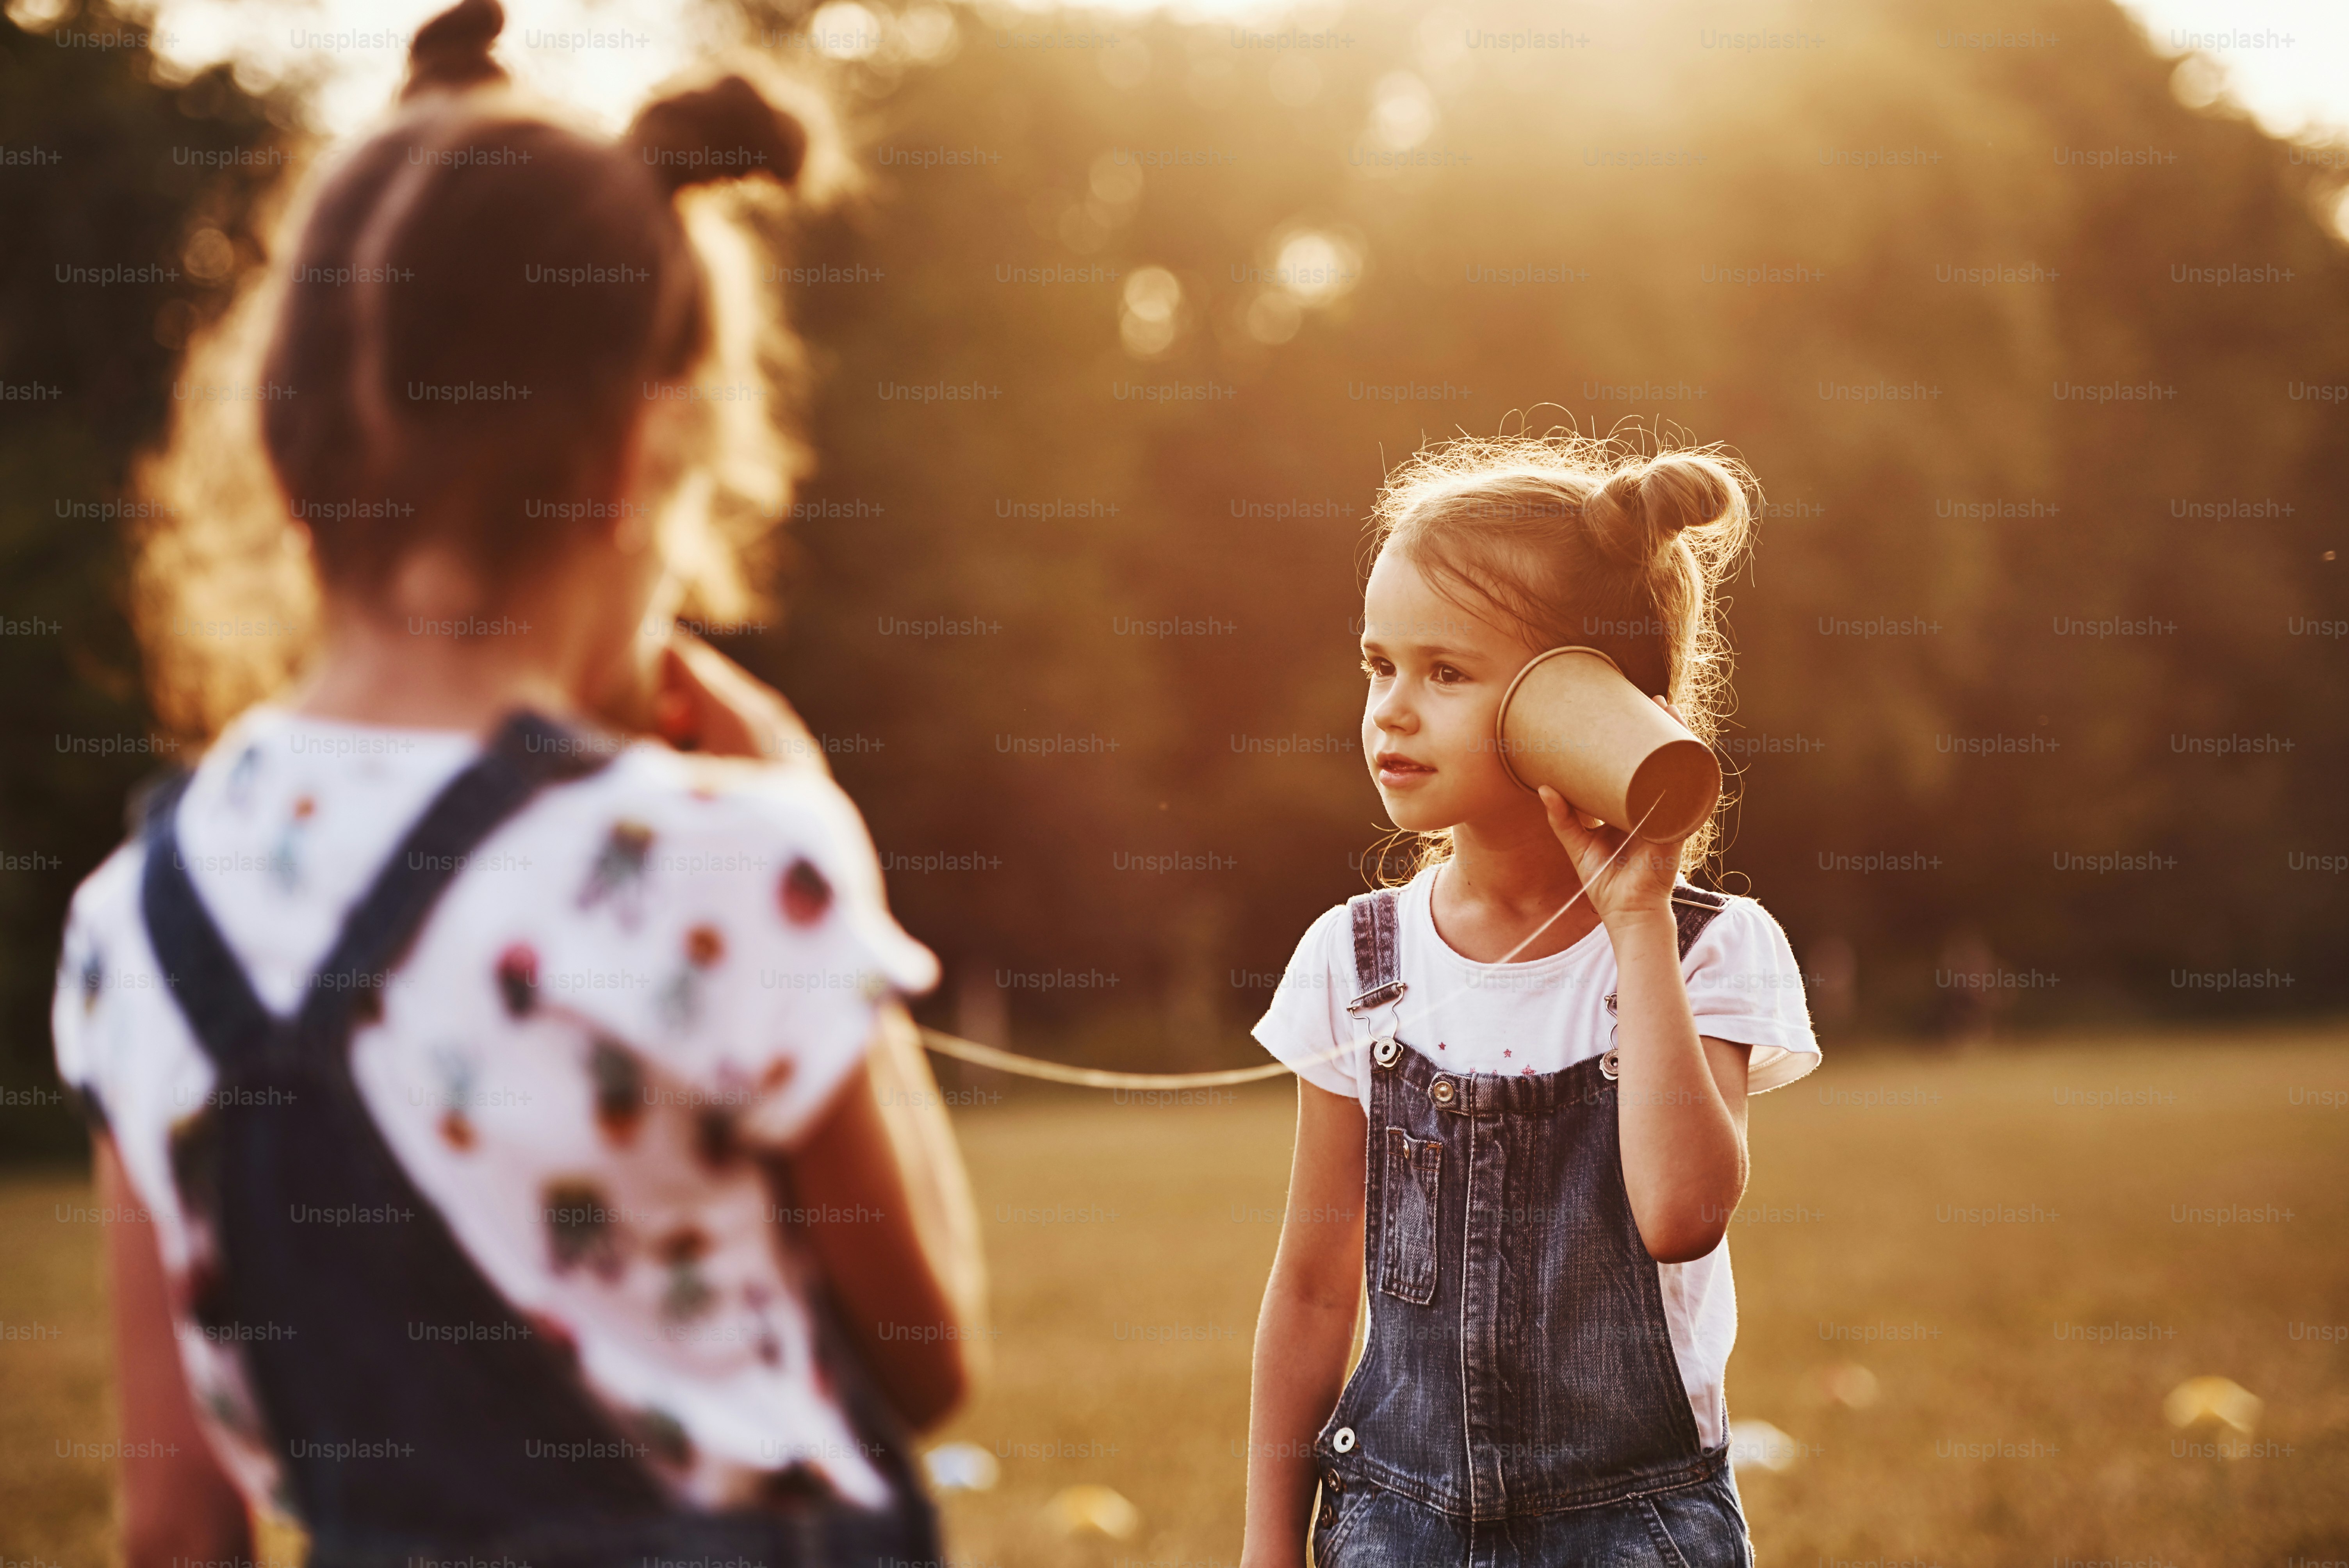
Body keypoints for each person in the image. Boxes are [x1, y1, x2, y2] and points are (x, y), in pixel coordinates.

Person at [50, 3, 984, 1563]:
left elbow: (174, 1522)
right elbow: (929, 1360)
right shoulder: (731, 855)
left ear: (284, 450)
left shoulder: (131, 923)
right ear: (634, 455)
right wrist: (823, 835)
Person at [1238, 434, 1820, 1566]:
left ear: (1581, 705)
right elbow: (1312, 1290)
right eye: (1379, 666)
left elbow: (1683, 1213)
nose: (1393, 712)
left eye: (1446, 674)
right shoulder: (1357, 960)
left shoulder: (1708, 951)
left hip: (1631, 1528)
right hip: (1393, 1527)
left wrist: (1638, 918)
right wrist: (1270, 1546)